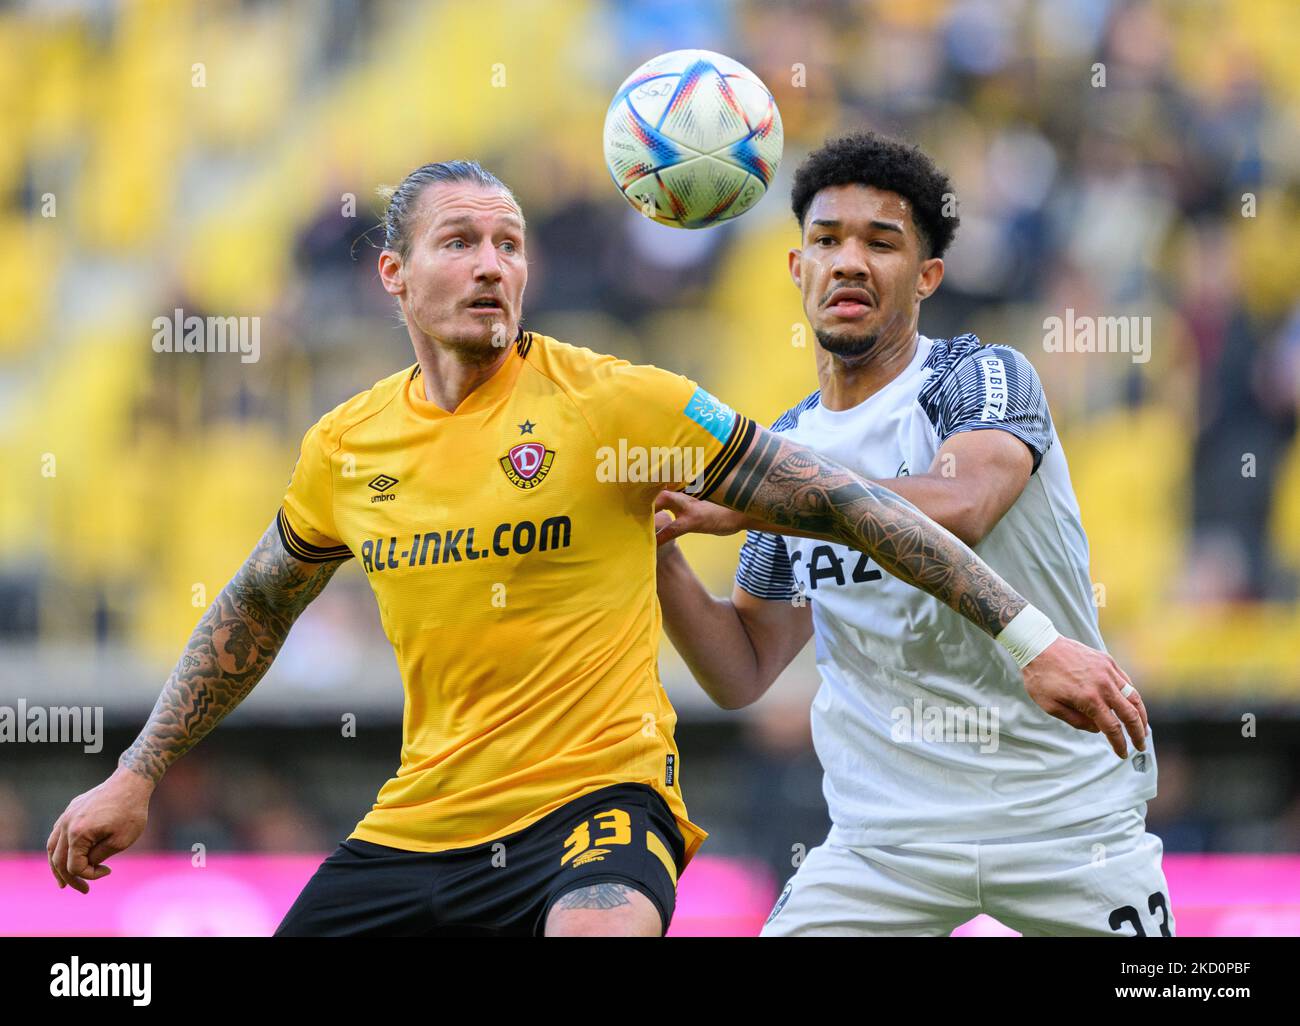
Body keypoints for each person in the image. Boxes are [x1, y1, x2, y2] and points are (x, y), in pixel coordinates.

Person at [46, 159, 1145, 937]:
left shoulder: (625, 404)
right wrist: (137, 775)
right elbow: (255, 606)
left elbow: (869, 511)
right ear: (393, 276)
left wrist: (1028, 636)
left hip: (600, 809)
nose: (491, 265)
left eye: (510, 245)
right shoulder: (343, 448)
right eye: (461, 242)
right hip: (423, 817)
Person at [653, 131, 1171, 937]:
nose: (849, 262)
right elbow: (743, 668)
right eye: (826, 241)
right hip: (880, 845)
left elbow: (961, 506)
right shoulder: (788, 453)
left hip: (1064, 820)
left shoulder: (982, 377)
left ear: (927, 276)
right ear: (798, 271)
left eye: (880, 243)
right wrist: (658, 549)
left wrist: (759, 498)